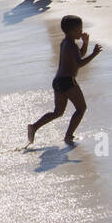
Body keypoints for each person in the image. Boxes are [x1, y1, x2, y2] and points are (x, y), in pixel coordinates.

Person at [28, 16, 102, 146]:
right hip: (67, 81)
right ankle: (68, 135)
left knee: (58, 112)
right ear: (72, 31)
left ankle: (34, 127)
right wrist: (94, 54)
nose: (81, 31)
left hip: (58, 81)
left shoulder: (65, 43)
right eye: (79, 29)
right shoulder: (71, 46)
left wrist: (85, 43)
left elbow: (79, 55)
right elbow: (79, 63)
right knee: (81, 108)